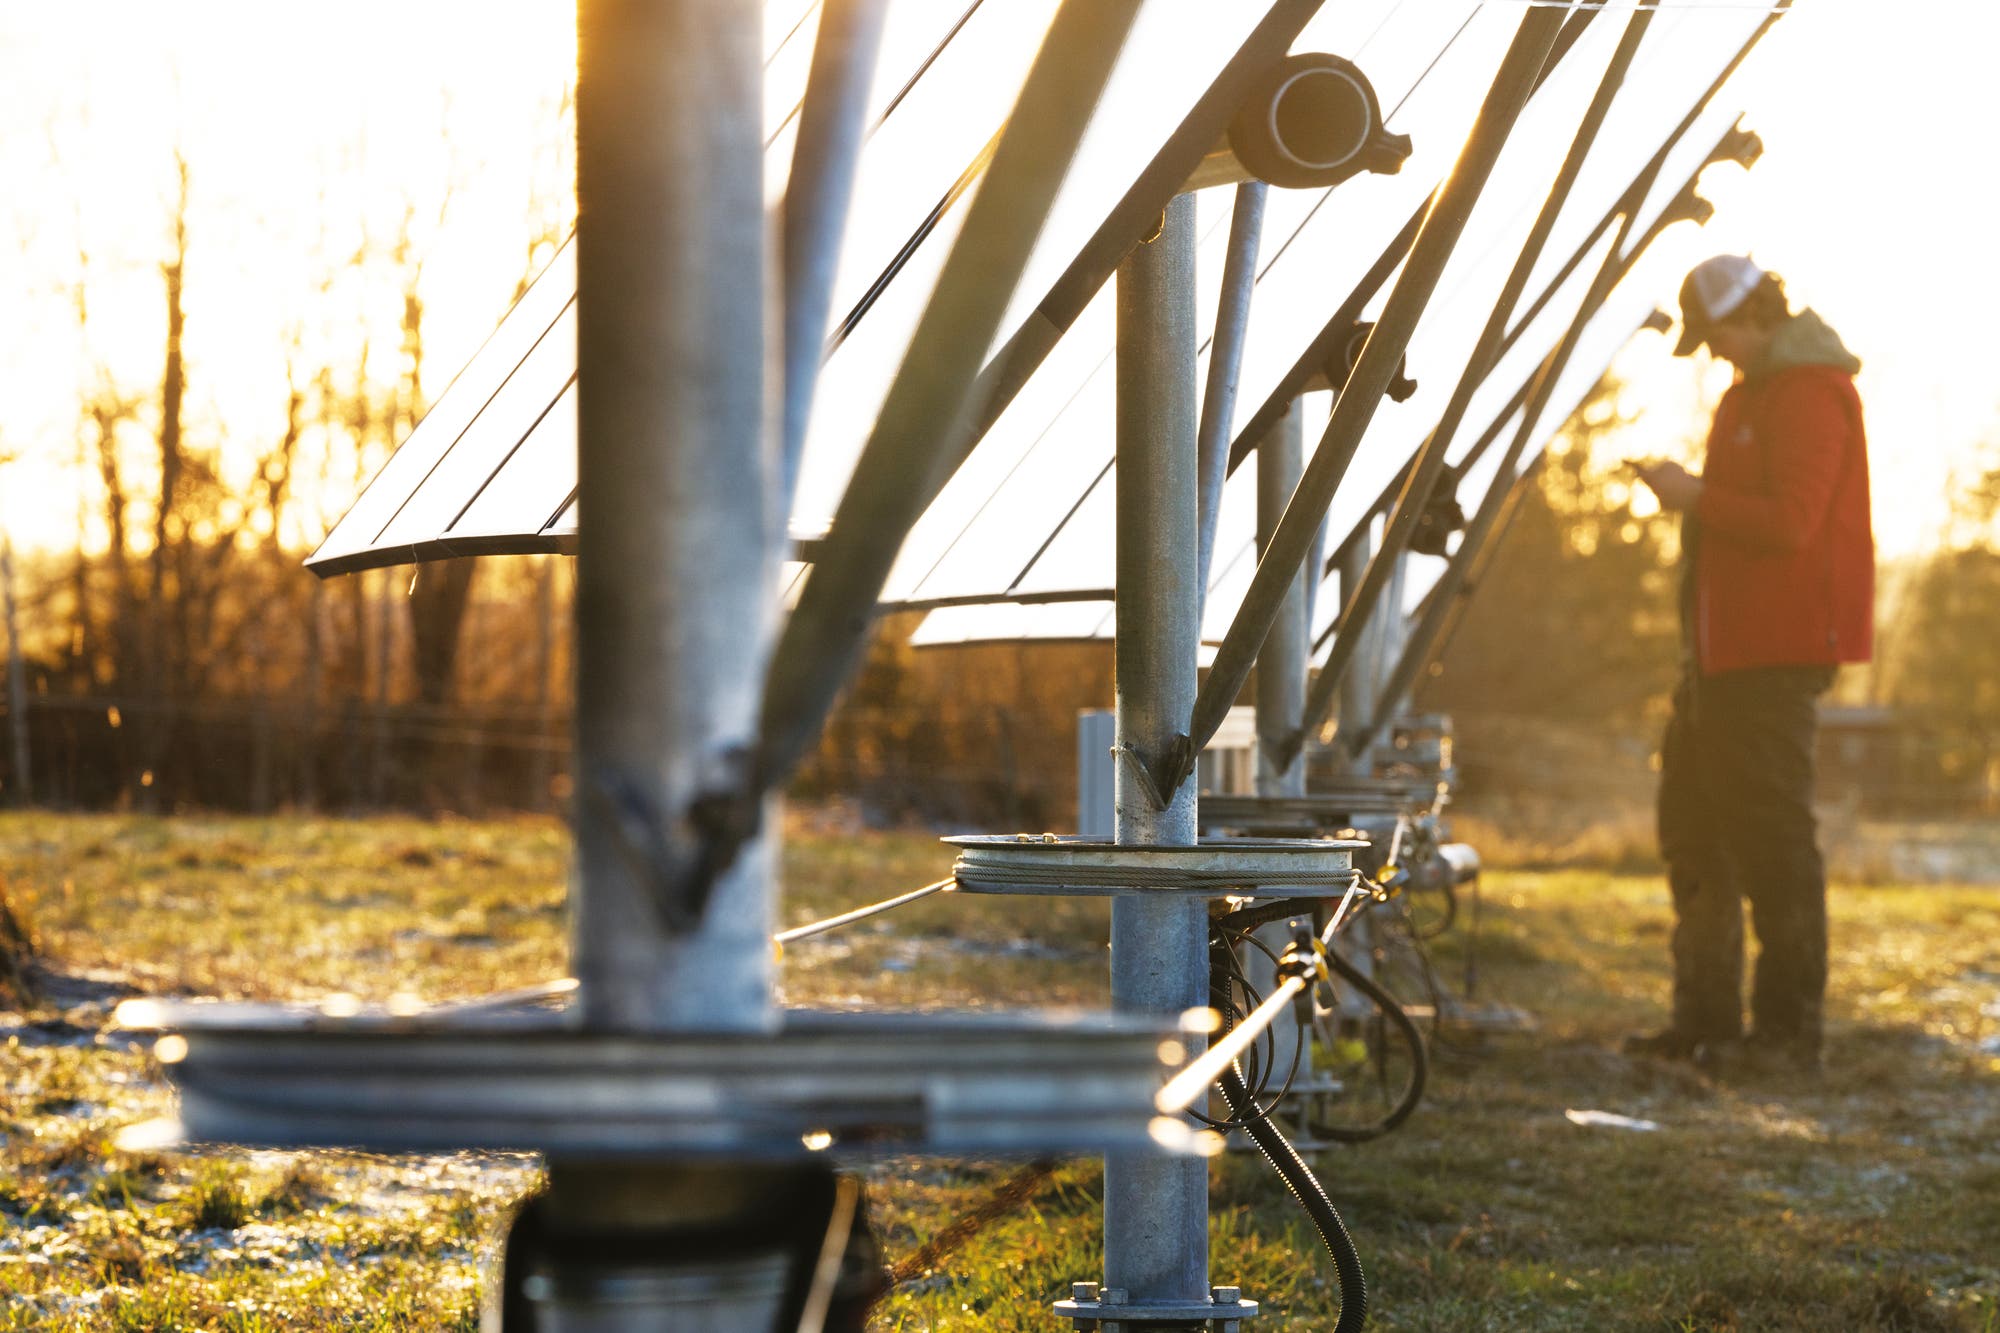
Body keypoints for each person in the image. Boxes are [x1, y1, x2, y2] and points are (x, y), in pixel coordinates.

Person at [1624, 254, 1873, 1073]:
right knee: (1693, 833)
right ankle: (1704, 1023)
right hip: (1717, 656)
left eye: (1717, 334)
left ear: (1755, 313)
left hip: (1773, 657)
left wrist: (1693, 496)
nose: (1713, 352)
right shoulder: (1747, 394)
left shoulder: (1810, 392)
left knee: (1773, 843)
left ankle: (1788, 1035)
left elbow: (1794, 521)